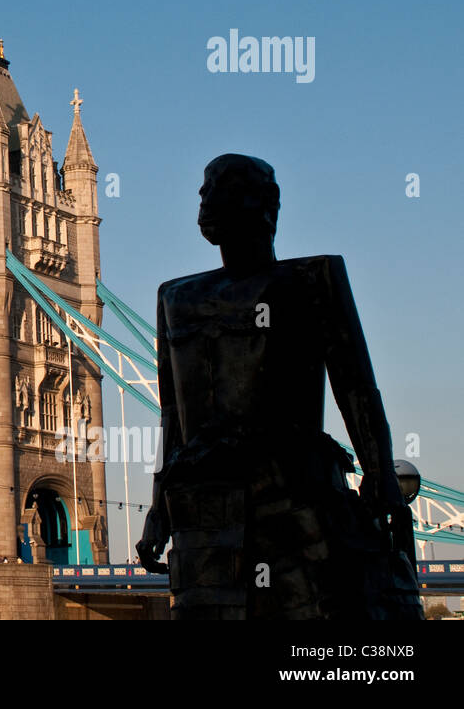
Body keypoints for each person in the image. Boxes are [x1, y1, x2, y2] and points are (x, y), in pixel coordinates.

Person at [135, 154, 422, 620]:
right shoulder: (175, 296)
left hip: (292, 498)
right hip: (201, 514)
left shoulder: (310, 278)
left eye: (221, 186)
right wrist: (158, 510)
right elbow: (173, 417)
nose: (205, 198)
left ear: (266, 204)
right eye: (204, 188)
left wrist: (381, 474)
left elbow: (356, 388)